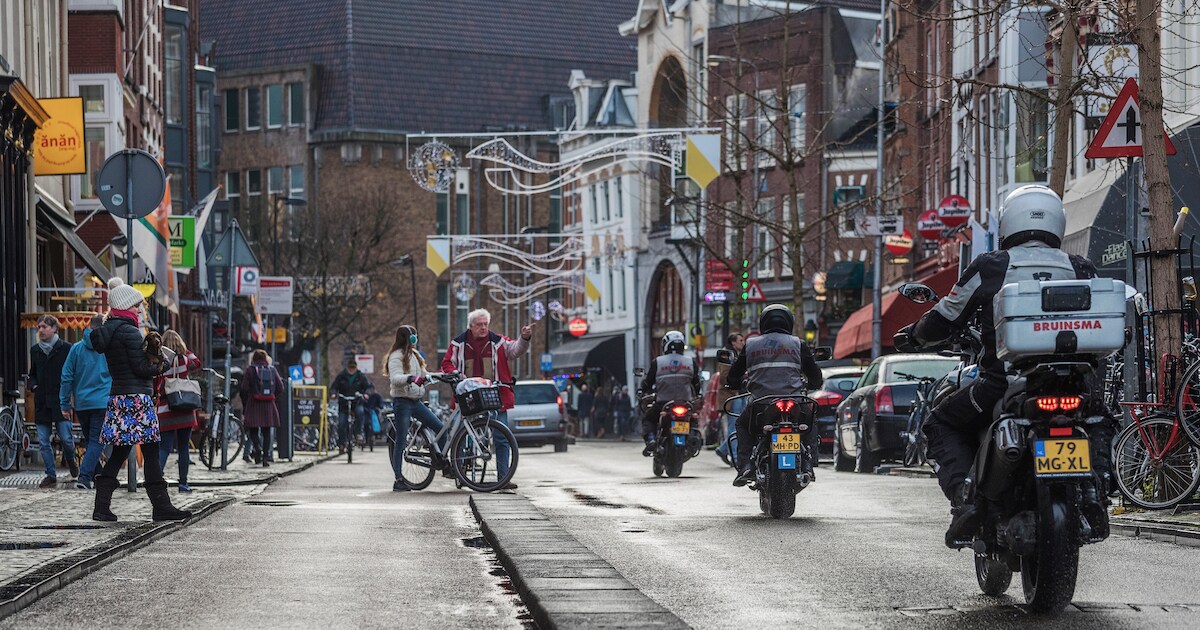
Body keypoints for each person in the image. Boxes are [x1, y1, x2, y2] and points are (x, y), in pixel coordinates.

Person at [893, 185, 1115, 547]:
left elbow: (948, 314)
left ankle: (966, 501)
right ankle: (1095, 494)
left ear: (1008, 222)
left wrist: (914, 336)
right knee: (1099, 417)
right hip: (1073, 385)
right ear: (1056, 223)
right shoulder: (1079, 266)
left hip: (1003, 385)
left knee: (940, 422)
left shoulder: (992, 265)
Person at [89, 277, 191, 522]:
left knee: (119, 452)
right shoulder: (131, 332)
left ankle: (101, 507)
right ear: (125, 306)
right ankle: (161, 506)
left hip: (119, 398)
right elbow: (141, 368)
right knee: (152, 450)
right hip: (137, 401)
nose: (139, 308)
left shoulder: (111, 331)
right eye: (136, 305)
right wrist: (162, 363)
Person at [727, 306, 823, 486]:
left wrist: (733, 383)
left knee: (741, 424)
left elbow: (734, 374)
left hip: (760, 405)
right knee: (811, 420)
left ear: (763, 323)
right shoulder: (797, 343)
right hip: (794, 402)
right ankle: (809, 463)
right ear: (789, 322)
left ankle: (746, 465)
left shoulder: (751, 344)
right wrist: (815, 383)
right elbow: (814, 374)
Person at [441, 308, 532, 490]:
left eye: (485, 324)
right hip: (468, 397)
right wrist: (457, 375)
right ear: (471, 326)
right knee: (460, 434)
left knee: (501, 437)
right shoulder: (458, 344)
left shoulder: (498, 342)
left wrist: (524, 338)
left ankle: (503, 478)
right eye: (479, 325)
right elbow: (446, 363)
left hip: (494, 395)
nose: (483, 328)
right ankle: (460, 473)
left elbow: (515, 350)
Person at [385, 324, 444, 492]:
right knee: (401, 441)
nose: (415, 338)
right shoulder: (396, 356)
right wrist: (411, 378)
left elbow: (424, 374)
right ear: (407, 337)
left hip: (416, 401)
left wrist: (441, 376)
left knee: (440, 428)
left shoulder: (415, 355)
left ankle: (438, 458)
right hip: (402, 403)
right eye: (413, 336)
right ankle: (398, 479)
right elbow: (395, 377)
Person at [59, 314, 112, 489]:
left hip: (82, 404)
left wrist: (65, 404)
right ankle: (85, 477)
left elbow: (66, 377)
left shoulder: (76, 349)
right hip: (102, 402)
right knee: (97, 441)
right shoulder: (108, 348)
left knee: (91, 441)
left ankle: (97, 475)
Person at [29, 314, 76, 488]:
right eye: (39, 327)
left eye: (44, 327)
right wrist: (33, 385)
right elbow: (32, 373)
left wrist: (70, 393)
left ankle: (71, 460)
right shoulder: (35, 350)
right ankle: (50, 474)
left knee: (66, 439)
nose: (41, 330)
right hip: (42, 400)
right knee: (43, 440)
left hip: (60, 399)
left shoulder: (66, 349)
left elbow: (72, 372)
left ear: (55, 328)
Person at [638, 331, 701, 457]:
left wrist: (642, 391)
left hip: (663, 402)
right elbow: (696, 383)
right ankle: (693, 437)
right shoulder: (691, 362)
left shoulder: (658, 362)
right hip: (686, 401)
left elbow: (648, 382)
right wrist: (697, 395)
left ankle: (651, 439)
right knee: (693, 418)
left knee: (648, 418)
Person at [154, 330, 201, 491]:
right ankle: (183, 483)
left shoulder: (160, 361)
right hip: (185, 409)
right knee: (183, 448)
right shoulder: (185, 360)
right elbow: (197, 363)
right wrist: (183, 349)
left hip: (166, 410)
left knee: (164, 448)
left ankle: (156, 481)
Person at [240, 349, 284, 466]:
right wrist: (271, 395)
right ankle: (265, 458)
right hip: (269, 405)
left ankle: (257, 448)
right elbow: (280, 387)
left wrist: (247, 400)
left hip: (254, 402)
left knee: (253, 429)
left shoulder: (251, 370)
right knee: (266, 431)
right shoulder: (272, 370)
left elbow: (244, 387)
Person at [714, 332, 747, 466]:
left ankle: (723, 449)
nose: (743, 343)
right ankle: (735, 458)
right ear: (733, 342)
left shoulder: (737, 355)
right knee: (734, 427)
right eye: (740, 340)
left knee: (739, 426)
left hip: (739, 394)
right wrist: (738, 380)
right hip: (732, 395)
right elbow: (724, 376)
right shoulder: (727, 355)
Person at [330, 359, 370, 453]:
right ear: (347, 368)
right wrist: (333, 393)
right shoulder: (341, 376)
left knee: (360, 413)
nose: (351, 370)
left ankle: (358, 433)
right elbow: (334, 387)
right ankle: (341, 444)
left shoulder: (361, 376)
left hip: (356, 402)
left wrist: (366, 394)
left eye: (353, 368)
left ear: (356, 368)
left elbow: (367, 387)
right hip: (344, 403)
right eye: (350, 368)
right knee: (341, 423)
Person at [364, 383, 384, 452]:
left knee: (378, 421)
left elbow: (381, 404)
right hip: (367, 412)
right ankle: (366, 437)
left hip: (375, 412)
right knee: (365, 423)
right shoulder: (366, 396)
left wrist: (379, 407)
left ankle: (378, 434)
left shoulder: (377, 396)